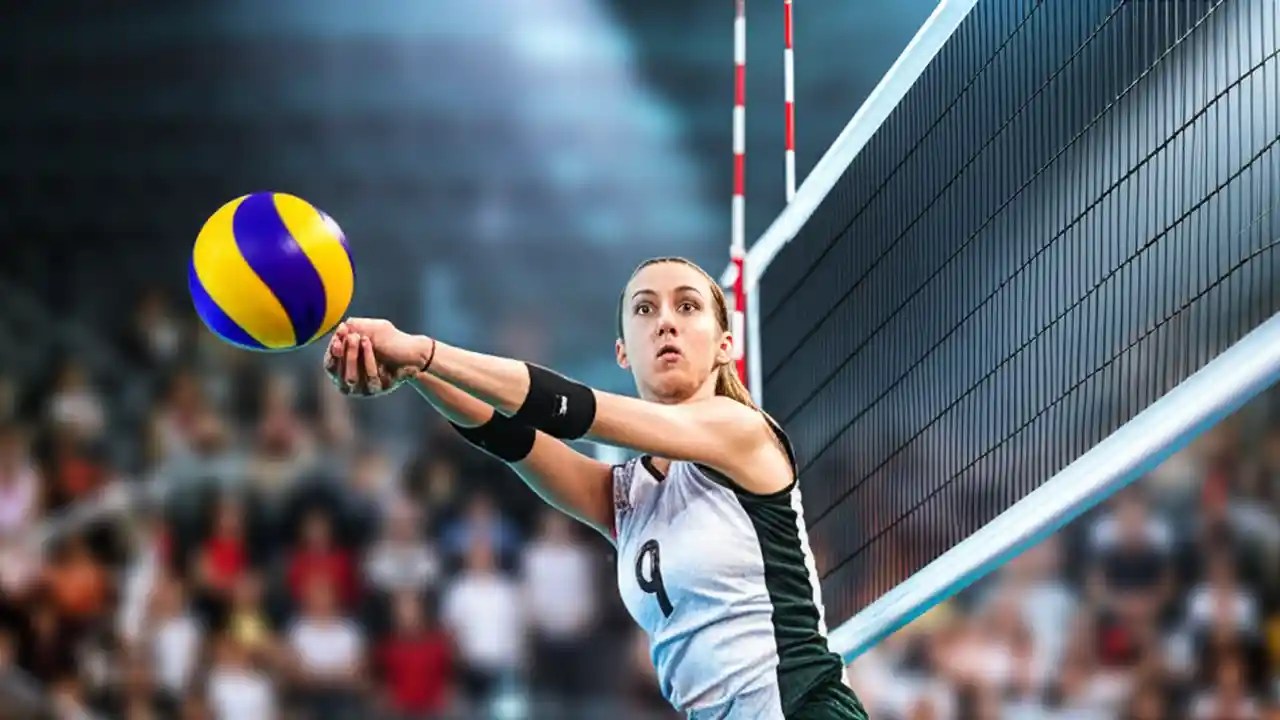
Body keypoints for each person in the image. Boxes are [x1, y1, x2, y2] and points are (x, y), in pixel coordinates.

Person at [323, 256, 867, 719]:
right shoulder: (625, 495)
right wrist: (411, 371)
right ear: (623, 352)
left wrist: (424, 351)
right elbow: (505, 434)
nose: (666, 323)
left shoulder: (740, 429)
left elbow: (571, 410)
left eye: (687, 306)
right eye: (645, 309)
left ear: (725, 345)